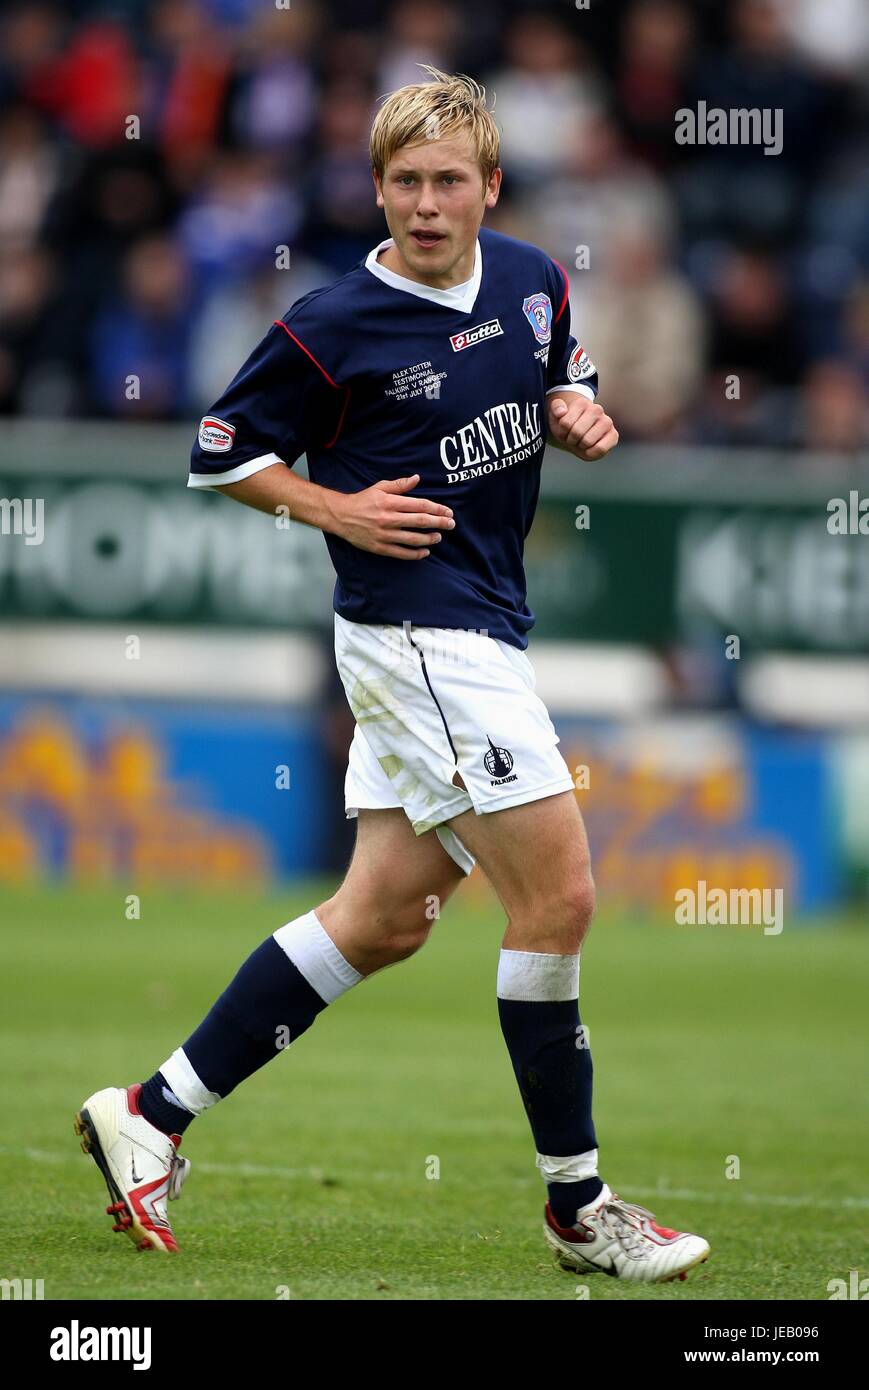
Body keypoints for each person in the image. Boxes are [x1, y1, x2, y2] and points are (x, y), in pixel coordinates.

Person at [75, 65, 710, 1285]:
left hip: (480, 625)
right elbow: (217, 452)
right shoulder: (331, 321)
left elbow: (556, 369)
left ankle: (150, 1114)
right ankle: (579, 1207)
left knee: (381, 919)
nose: (425, 205)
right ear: (376, 190)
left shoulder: (532, 280)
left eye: (447, 182)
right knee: (560, 895)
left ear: (489, 187)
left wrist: (576, 406)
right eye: (404, 183)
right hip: (416, 634)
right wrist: (332, 507)